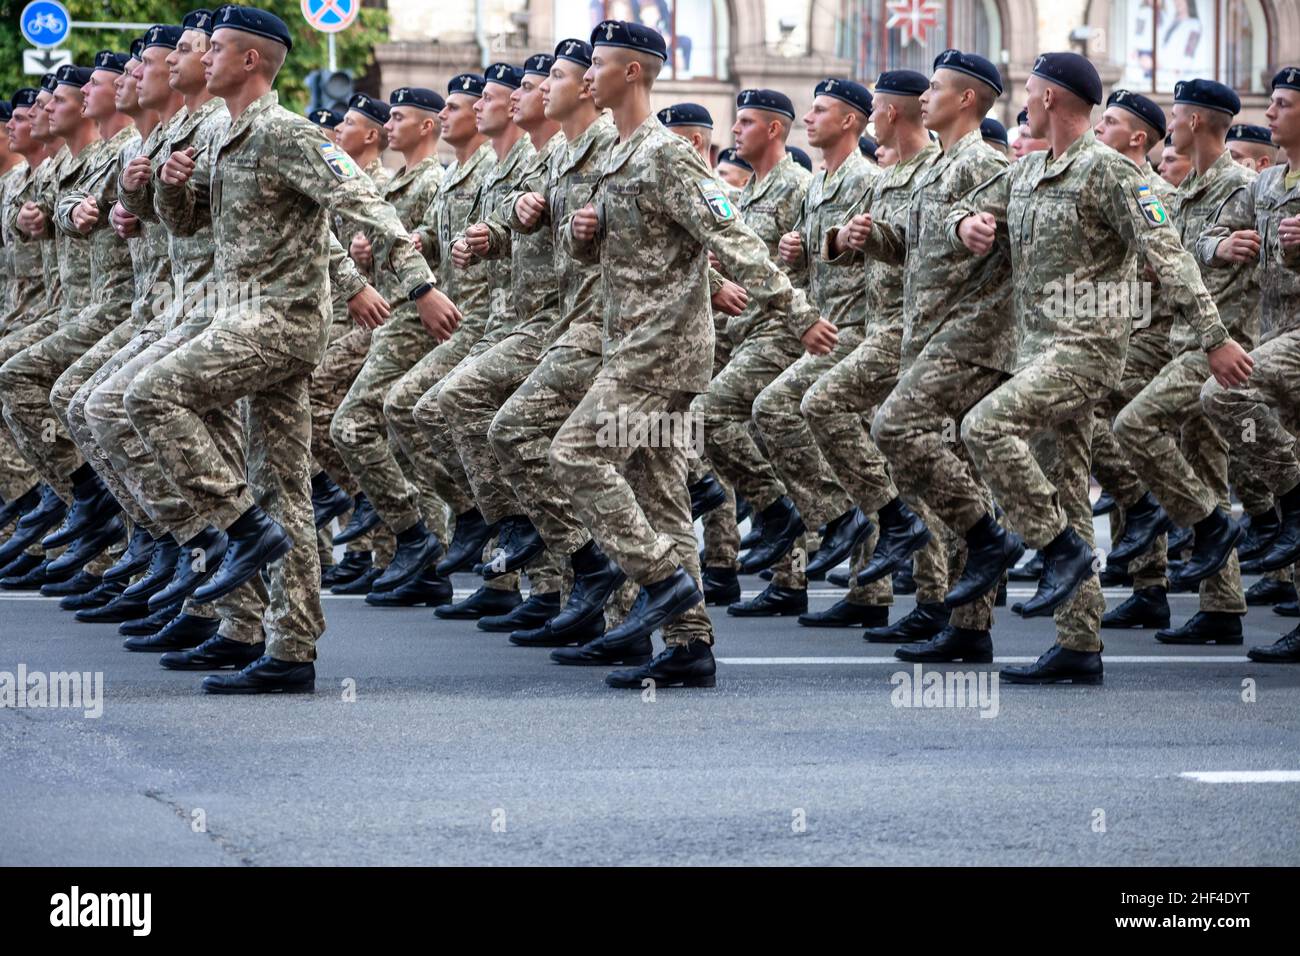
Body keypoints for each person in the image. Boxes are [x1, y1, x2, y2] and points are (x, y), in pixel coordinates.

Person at [123, 5, 459, 695]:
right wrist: (164, 184)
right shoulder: (220, 133)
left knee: (148, 394)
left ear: (251, 60)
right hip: (241, 317)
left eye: (215, 49)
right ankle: (285, 646)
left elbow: (366, 205)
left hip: (281, 323)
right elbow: (191, 227)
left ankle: (239, 528)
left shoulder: (289, 135)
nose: (204, 58)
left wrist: (419, 286)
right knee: (282, 485)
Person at [952, 52, 1251, 684]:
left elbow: (1169, 257)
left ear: (1053, 100)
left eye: (1030, 92)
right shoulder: (1029, 171)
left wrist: (1216, 338)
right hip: (1036, 350)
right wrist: (967, 223)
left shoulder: (1113, 173)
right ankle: (1079, 644)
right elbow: (959, 207)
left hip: (1087, 352)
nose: (1024, 101)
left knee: (983, 427)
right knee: (1065, 487)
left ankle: (1055, 548)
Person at [549, 20, 821, 688]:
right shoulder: (617, 152)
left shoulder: (667, 155)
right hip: (632, 342)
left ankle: (662, 579)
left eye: (601, 65)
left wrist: (795, 311)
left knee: (575, 452)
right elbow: (616, 253)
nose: (588, 76)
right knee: (661, 490)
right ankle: (689, 644)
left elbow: (731, 238)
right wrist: (587, 233)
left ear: (633, 72)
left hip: (662, 351)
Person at [860, 50, 1016, 664]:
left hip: (970, 337)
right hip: (927, 335)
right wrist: (867, 235)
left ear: (968, 100)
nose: (925, 98)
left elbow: (988, 231)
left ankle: (988, 535)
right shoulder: (934, 166)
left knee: (893, 426)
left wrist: (969, 229)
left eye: (938, 89)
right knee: (949, 464)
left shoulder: (984, 163)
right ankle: (968, 627)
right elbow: (910, 244)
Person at [1107, 79, 1258, 647]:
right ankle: (1222, 606)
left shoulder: (1244, 187)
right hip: (1178, 340)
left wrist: (1221, 246)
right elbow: (1166, 256)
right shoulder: (1180, 191)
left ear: (1195, 121)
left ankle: (1211, 526)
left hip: (1222, 345)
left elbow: (1269, 255)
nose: (1171, 121)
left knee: (1135, 424)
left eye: (1177, 113)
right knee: (1205, 465)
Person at [811, 69, 949, 644]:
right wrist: (842, 240)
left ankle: (938, 589)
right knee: (906, 464)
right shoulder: (889, 179)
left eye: (875, 109)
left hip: (913, 334)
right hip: (882, 327)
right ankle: (901, 591)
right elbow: (880, 250)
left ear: (890, 113)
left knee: (827, 410)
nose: (870, 119)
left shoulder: (933, 173)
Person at [1200, 67, 1300, 663]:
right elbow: (1202, 234)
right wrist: (1223, 246)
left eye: (1284, 104)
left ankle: (1291, 500)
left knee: (1222, 391)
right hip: (1272, 331)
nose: (1271, 113)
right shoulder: (1265, 186)